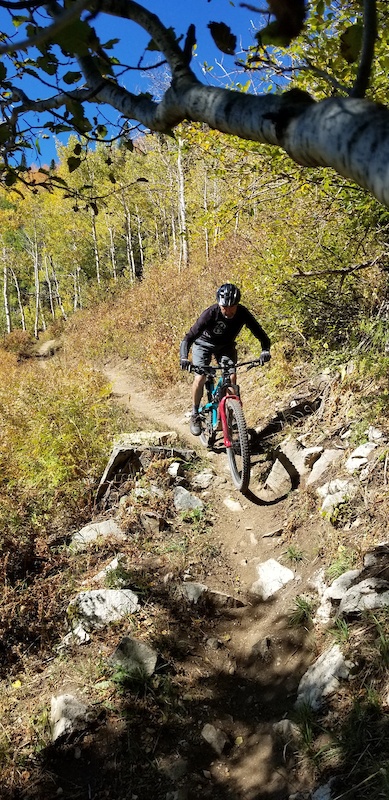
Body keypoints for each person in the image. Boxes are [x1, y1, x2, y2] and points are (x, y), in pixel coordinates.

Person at [180, 283, 271, 435]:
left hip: (226, 347)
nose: (228, 311)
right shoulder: (210, 313)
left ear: (237, 304)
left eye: (232, 307)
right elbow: (188, 338)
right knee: (200, 377)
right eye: (224, 307)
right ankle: (195, 414)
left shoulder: (243, 313)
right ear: (219, 304)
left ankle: (232, 416)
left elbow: (260, 333)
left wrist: (265, 350)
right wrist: (184, 357)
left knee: (231, 377)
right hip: (203, 345)